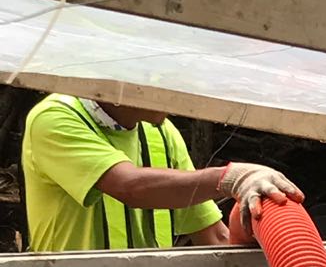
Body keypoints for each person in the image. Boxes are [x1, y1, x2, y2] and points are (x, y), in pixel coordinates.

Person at [21, 93, 303, 253]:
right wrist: (230, 178)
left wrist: (257, 230)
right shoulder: (53, 119)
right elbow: (129, 186)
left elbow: (214, 239)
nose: (177, 91)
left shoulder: (161, 133)